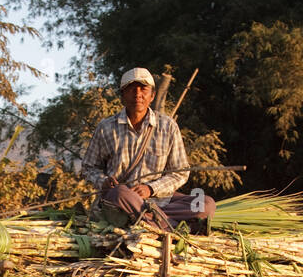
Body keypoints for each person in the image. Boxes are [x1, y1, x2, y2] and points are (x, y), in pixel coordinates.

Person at [82, 67, 215, 232]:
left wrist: (151, 189)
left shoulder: (168, 126)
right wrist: (103, 181)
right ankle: (171, 227)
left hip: (158, 201)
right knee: (120, 193)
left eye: (143, 89)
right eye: (131, 89)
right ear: (122, 96)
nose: (138, 94)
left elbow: (180, 172)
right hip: (121, 201)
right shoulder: (106, 128)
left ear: (152, 95)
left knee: (205, 204)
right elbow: (88, 167)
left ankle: (152, 222)